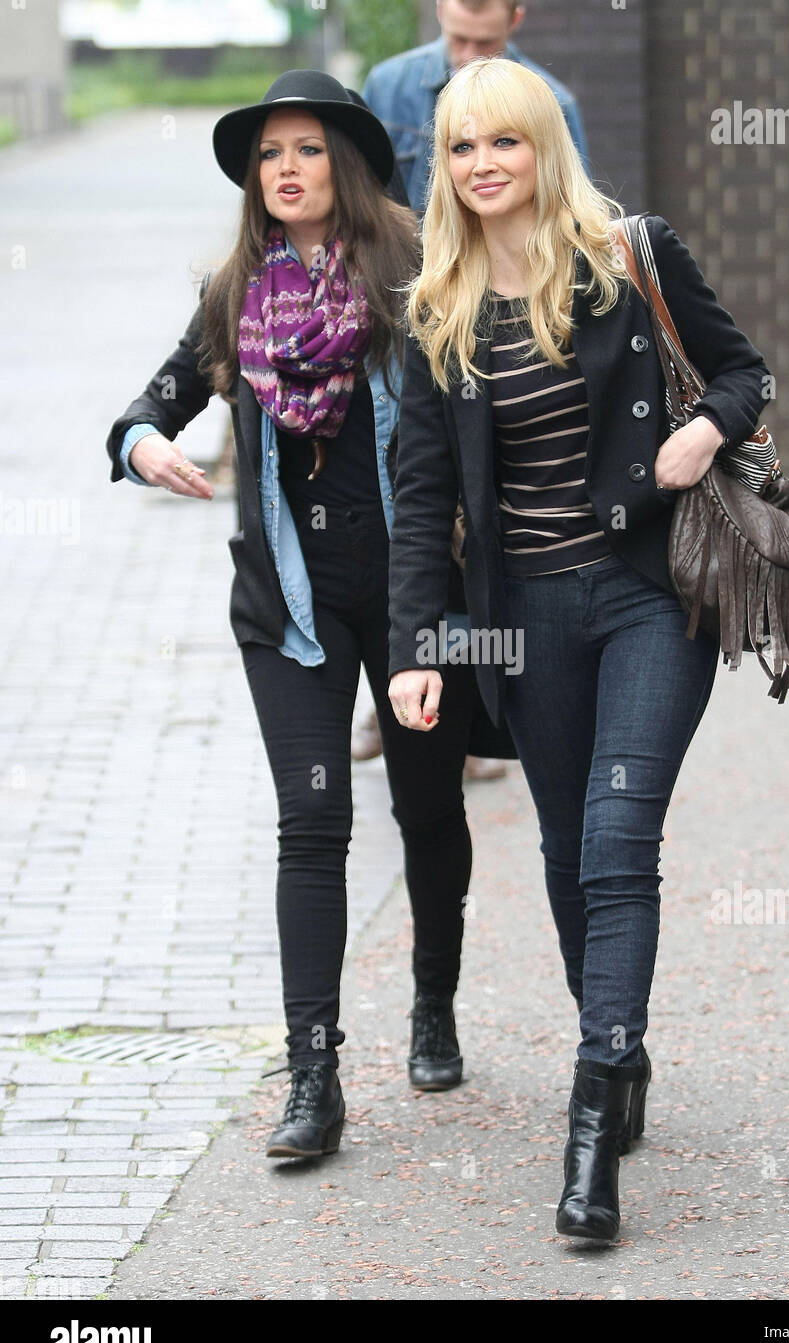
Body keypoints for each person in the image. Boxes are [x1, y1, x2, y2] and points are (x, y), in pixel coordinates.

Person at [387, 57, 771, 1241]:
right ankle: (623, 1044)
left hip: (649, 593)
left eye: (505, 141)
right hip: (523, 616)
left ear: (543, 146)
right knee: (564, 850)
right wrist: (416, 643)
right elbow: (418, 495)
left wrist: (702, 433)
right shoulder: (436, 311)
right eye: (461, 148)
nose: (483, 164)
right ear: (443, 166)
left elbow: (743, 371)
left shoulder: (625, 256)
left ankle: (589, 1120)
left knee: (615, 839)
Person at [105, 70, 511, 1161]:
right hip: (288, 605)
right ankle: (314, 1076)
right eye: (268, 154)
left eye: (306, 150)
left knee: (427, 810)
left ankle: (432, 1001)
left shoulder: (414, 273)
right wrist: (143, 443)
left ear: (347, 160)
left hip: (415, 594)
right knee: (311, 822)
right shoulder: (237, 290)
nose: (284, 169)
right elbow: (157, 403)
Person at [362, 0, 589, 212]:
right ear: (439, 10)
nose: (470, 57)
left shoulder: (553, 102)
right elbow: (360, 194)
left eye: (485, 43)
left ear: (515, 20)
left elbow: (575, 207)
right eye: (459, 40)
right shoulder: (387, 87)